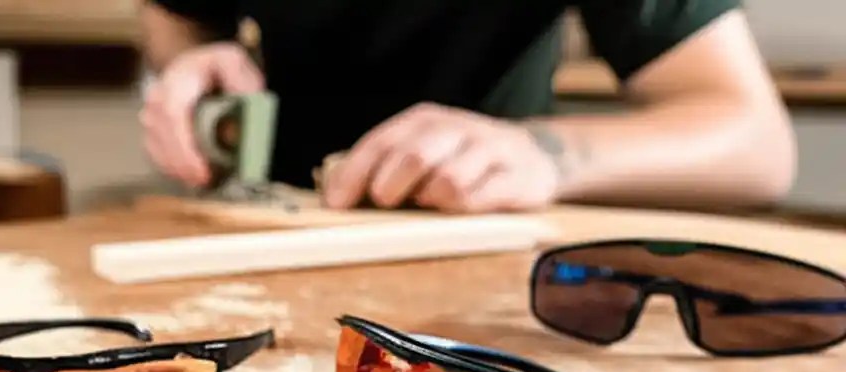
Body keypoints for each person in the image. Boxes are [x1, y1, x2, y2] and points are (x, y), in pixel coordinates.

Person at [139, 1, 796, 213]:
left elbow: (755, 140)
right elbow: (177, 18)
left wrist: (540, 153)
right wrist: (194, 63)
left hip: (485, 240)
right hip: (273, 228)